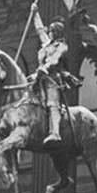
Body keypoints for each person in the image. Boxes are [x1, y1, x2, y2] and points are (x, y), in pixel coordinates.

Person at [30, 10, 69, 147]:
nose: (49, 32)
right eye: (49, 30)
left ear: (57, 32)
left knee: (52, 104)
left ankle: (55, 133)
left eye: (51, 30)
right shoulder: (47, 43)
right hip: (40, 78)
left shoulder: (62, 47)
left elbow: (54, 60)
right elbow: (40, 30)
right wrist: (35, 13)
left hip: (52, 79)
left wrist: (43, 69)